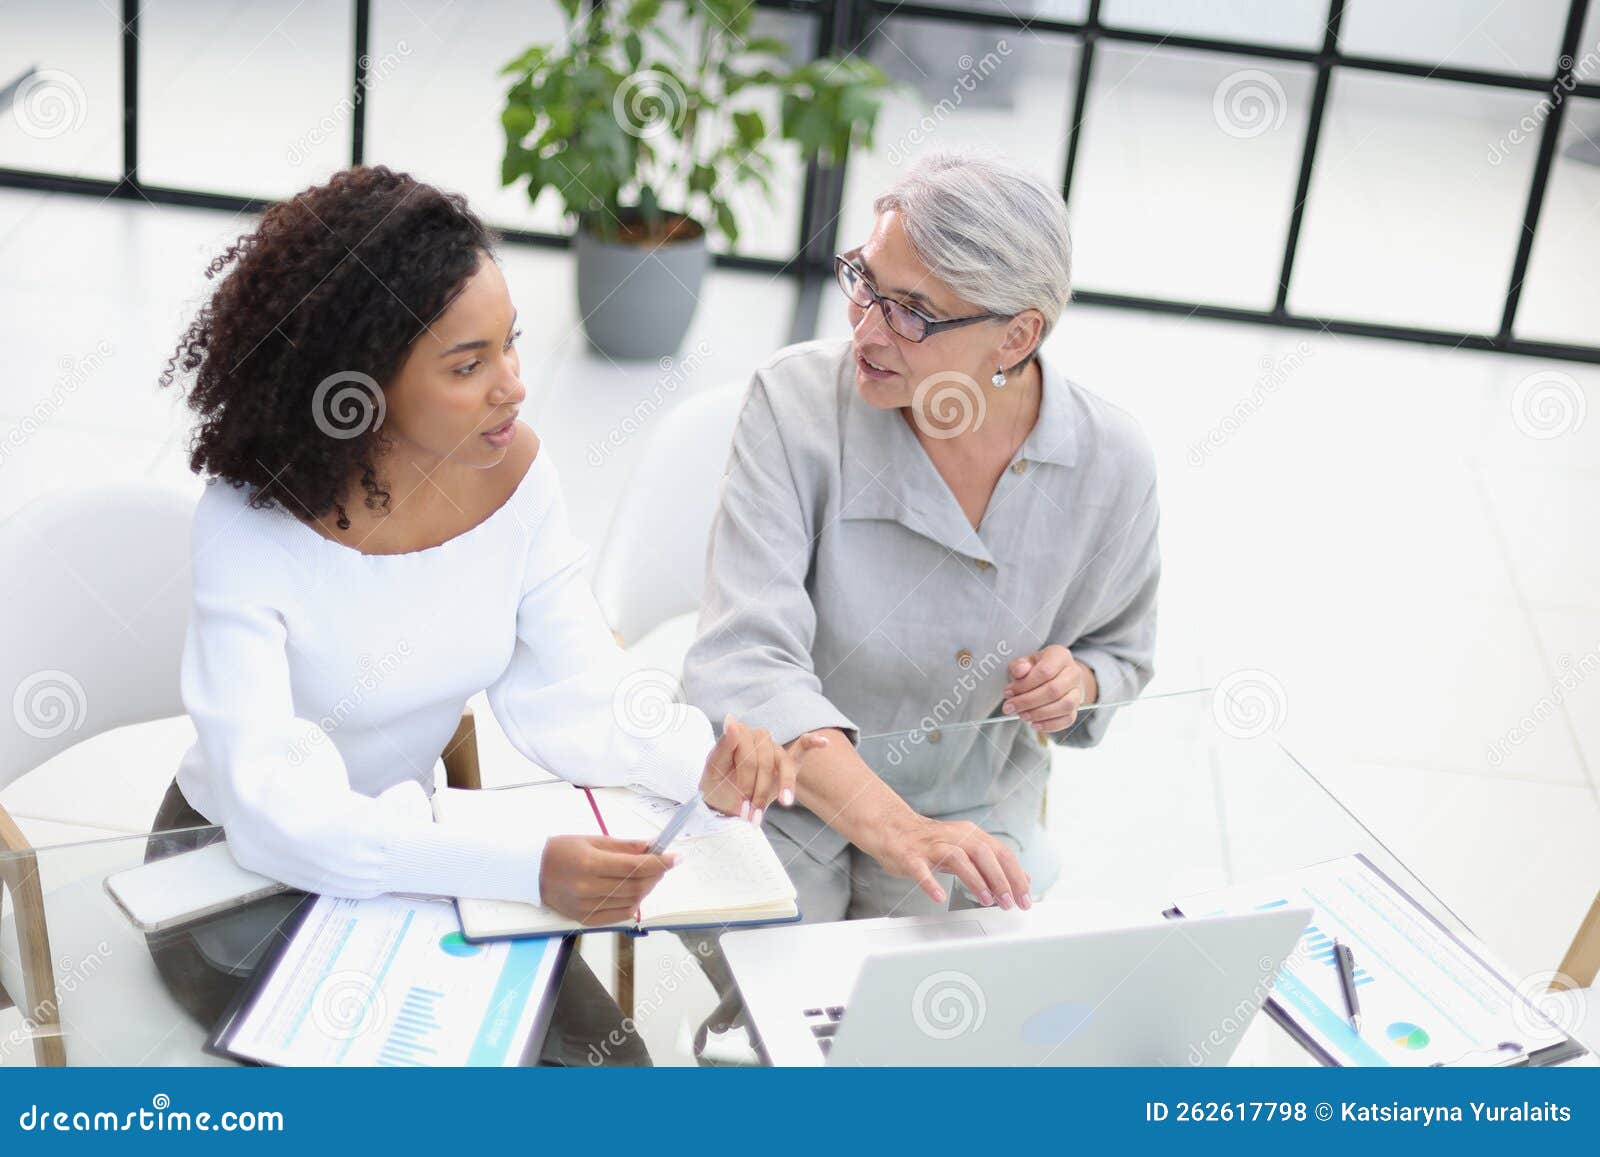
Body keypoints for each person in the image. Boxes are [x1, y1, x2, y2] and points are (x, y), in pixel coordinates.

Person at [152, 165, 810, 1064]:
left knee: (611, 1071)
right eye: (468, 364)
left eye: (511, 345)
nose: (513, 386)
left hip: (417, 854)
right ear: (362, 380)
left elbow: (574, 689)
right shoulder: (250, 520)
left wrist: (703, 764)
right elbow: (276, 813)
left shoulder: (513, 472)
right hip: (236, 874)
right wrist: (522, 869)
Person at [680, 152, 1160, 1041]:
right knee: (786, 1035)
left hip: (975, 823)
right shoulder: (794, 405)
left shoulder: (1111, 463)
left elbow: (1122, 652)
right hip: (789, 811)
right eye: (864, 281)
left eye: (912, 314)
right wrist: (894, 824)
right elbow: (744, 657)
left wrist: (1079, 682)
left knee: (940, 1045)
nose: (866, 330)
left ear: (1016, 338)